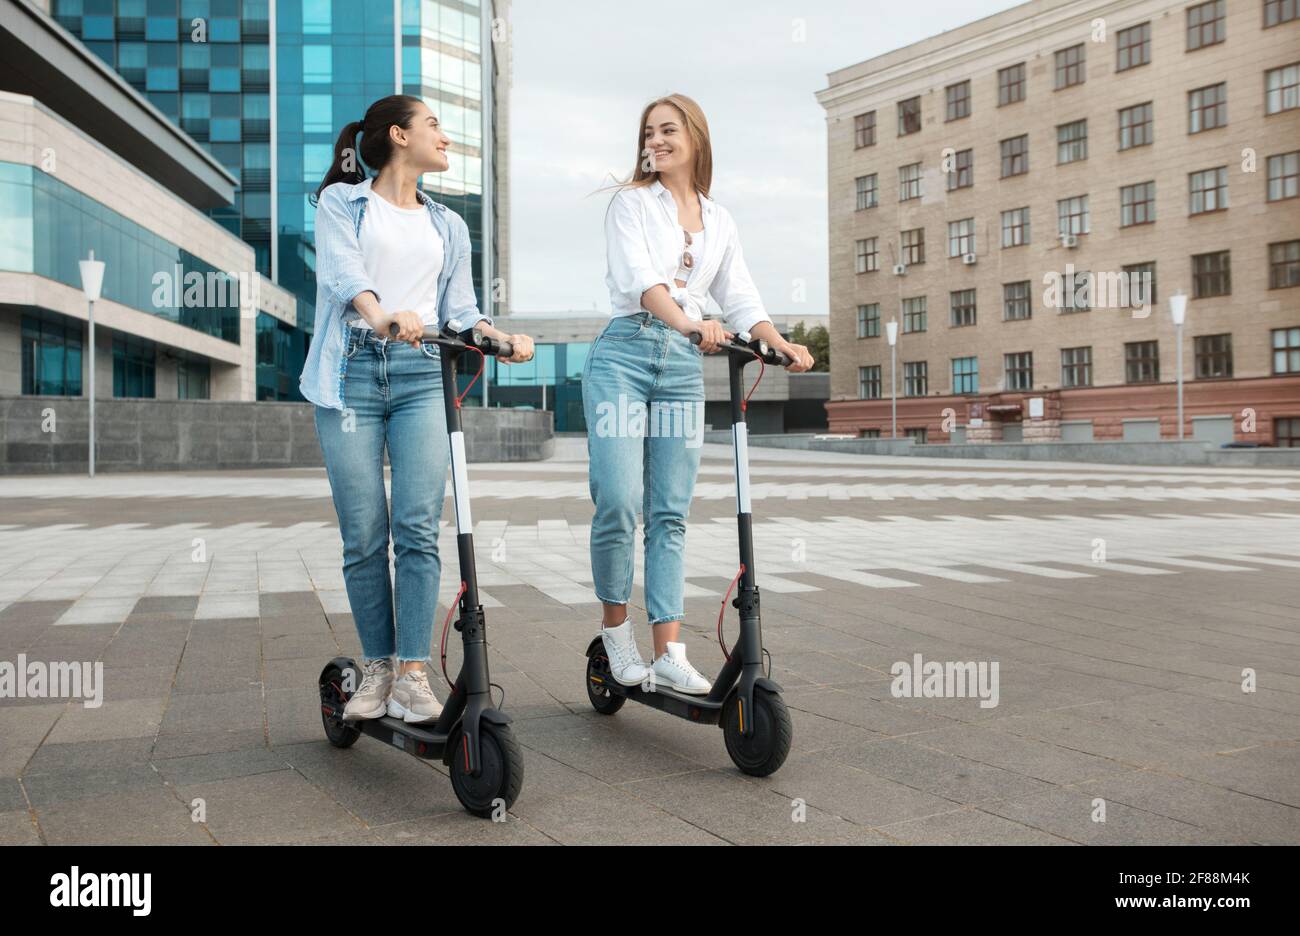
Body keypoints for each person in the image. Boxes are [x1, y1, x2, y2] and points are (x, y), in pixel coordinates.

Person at [301, 94, 534, 723]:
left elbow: (459, 309)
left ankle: (410, 673)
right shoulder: (341, 203)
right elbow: (344, 278)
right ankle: (376, 669)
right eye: (434, 124)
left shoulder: (448, 225)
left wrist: (498, 338)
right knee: (363, 532)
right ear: (399, 135)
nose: (445, 137)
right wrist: (383, 316)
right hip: (350, 370)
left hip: (421, 376)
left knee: (416, 526)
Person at [585, 93, 814, 694]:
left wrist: (777, 341)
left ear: (695, 136)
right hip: (625, 356)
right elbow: (644, 283)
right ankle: (616, 638)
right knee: (618, 498)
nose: (655, 140)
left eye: (668, 130)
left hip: (684, 368)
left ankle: (670, 653)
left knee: (670, 513)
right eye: (648, 132)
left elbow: (740, 297)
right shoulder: (630, 205)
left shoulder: (720, 218)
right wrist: (688, 322)